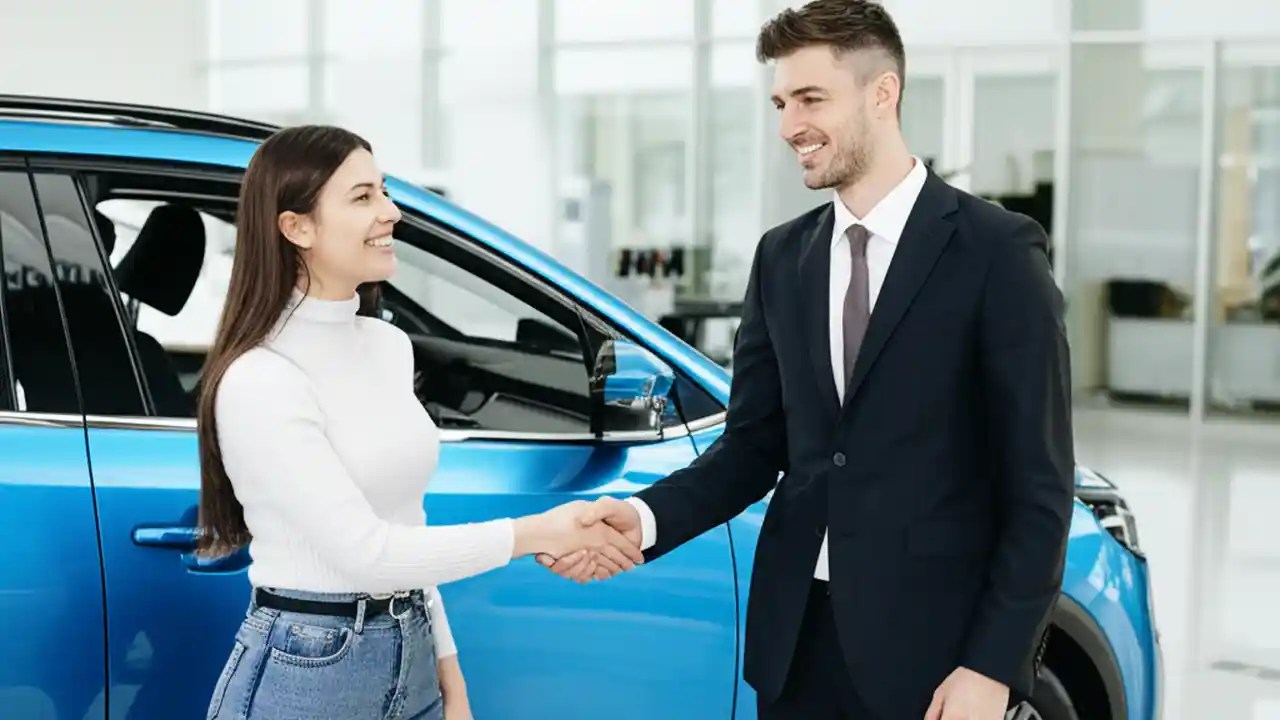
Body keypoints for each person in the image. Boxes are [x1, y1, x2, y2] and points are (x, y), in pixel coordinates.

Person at [543, 2, 1075, 718]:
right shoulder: (783, 257)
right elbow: (754, 446)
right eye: (781, 102)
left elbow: (1039, 487)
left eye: (811, 99)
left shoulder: (996, 253)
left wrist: (992, 665)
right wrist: (639, 520)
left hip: (933, 656)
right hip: (796, 647)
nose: (790, 125)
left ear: (882, 94)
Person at [196, 125, 643, 720]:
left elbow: (407, 527)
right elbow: (366, 554)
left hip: (410, 653)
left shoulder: (387, 346)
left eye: (383, 191)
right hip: (309, 672)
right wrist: (540, 532)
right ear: (296, 227)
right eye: (363, 198)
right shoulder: (260, 379)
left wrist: (448, 675)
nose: (391, 212)